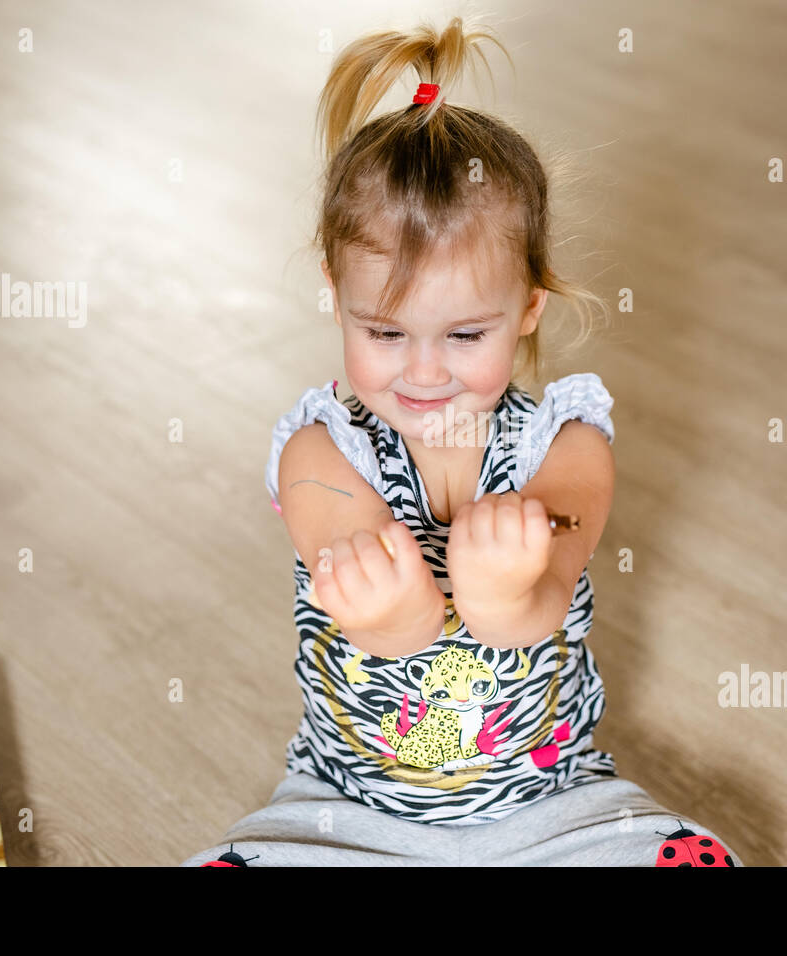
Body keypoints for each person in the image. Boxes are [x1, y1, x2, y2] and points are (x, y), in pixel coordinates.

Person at [181, 16, 743, 867]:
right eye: (385, 331)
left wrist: (510, 597)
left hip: (556, 802)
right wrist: (399, 615)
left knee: (701, 858)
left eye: (466, 336)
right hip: (346, 812)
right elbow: (365, 580)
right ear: (335, 296)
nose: (424, 373)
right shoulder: (319, 453)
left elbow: (548, 595)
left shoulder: (568, 443)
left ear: (529, 309)